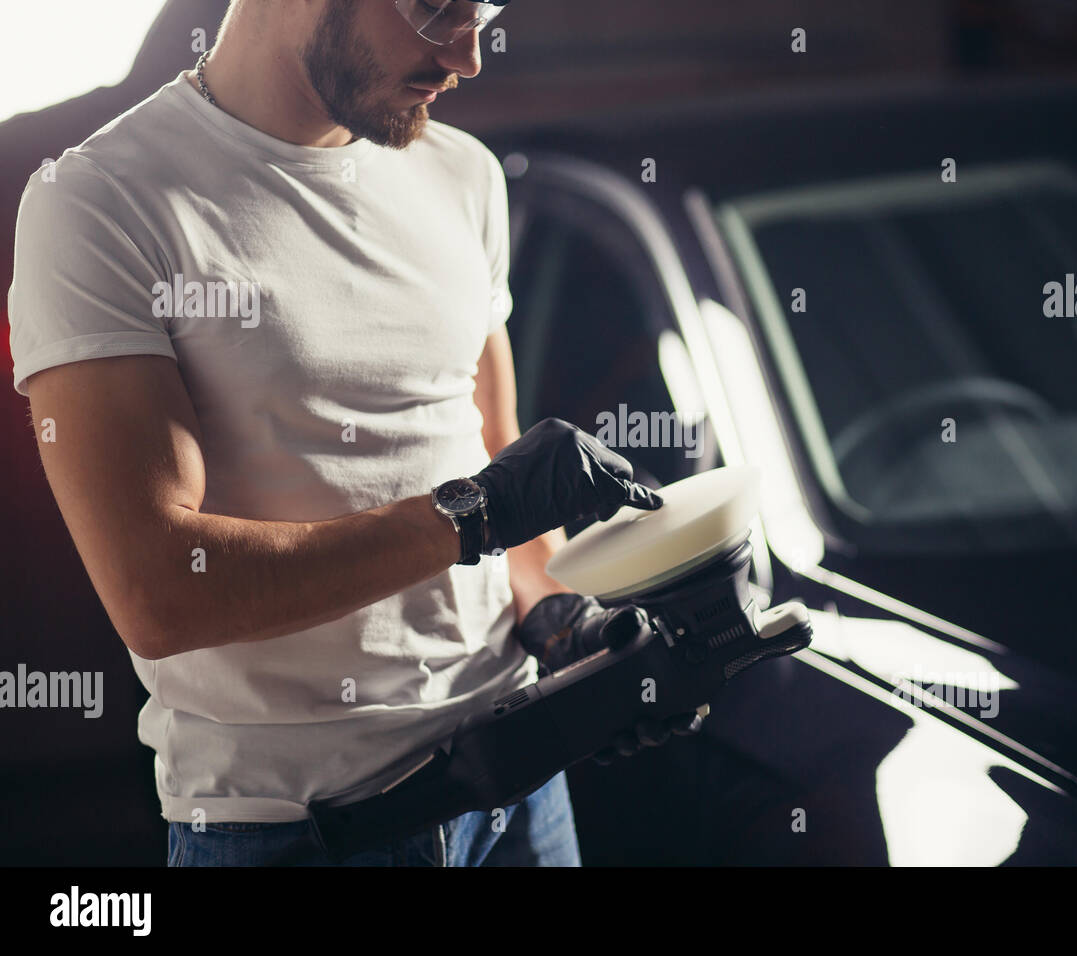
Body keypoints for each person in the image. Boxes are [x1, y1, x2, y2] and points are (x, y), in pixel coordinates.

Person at [8, 0, 698, 867]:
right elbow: (157, 593)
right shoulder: (101, 203)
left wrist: (566, 627)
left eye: (485, 10)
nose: (470, 55)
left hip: (521, 788)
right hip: (302, 831)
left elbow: (486, 446)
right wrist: (473, 518)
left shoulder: (463, 174)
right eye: (438, 7)